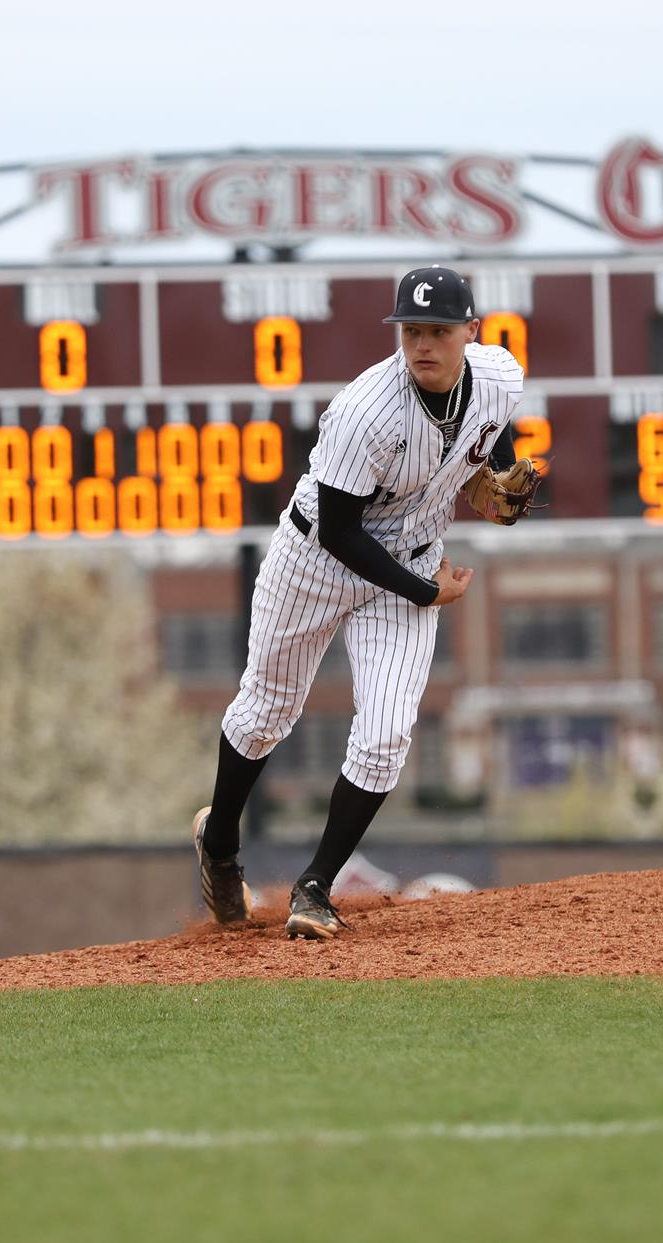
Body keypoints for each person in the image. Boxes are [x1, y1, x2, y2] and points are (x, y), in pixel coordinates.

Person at [191, 264, 535, 939]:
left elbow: (493, 438)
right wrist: (427, 591)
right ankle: (221, 844)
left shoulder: (498, 377)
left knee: (385, 736)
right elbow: (343, 532)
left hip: (407, 558)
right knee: (265, 713)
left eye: (439, 330)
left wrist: (501, 485)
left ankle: (314, 888)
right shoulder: (365, 411)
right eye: (411, 330)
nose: (423, 344)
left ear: (471, 330)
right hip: (317, 558)